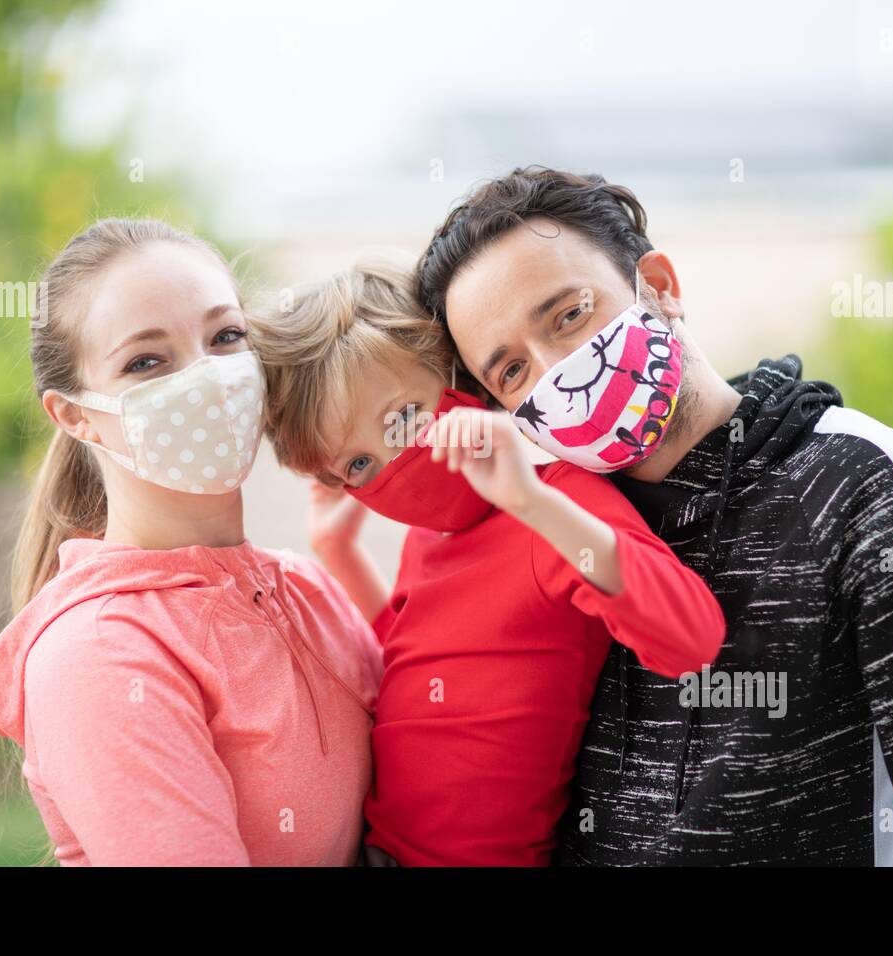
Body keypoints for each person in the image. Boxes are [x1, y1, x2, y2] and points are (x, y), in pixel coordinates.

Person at [415, 166, 893, 866]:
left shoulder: (861, 482)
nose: (556, 371)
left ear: (660, 286)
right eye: (512, 371)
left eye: (570, 315)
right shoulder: (550, 535)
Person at [249, 259, 725, 865]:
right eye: (359, 466)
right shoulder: (430, 538)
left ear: (465, 384)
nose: (393, 465)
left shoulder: (556, 502)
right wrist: (340, 552)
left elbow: (691, 636)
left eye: (403, 420)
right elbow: (416, 669)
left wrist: (530, 500)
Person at [0, 218, 383, 866]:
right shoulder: (101, 652)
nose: (209, 378)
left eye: (225, 337)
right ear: (76, 416)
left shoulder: (308, 587)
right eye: (146, 361)